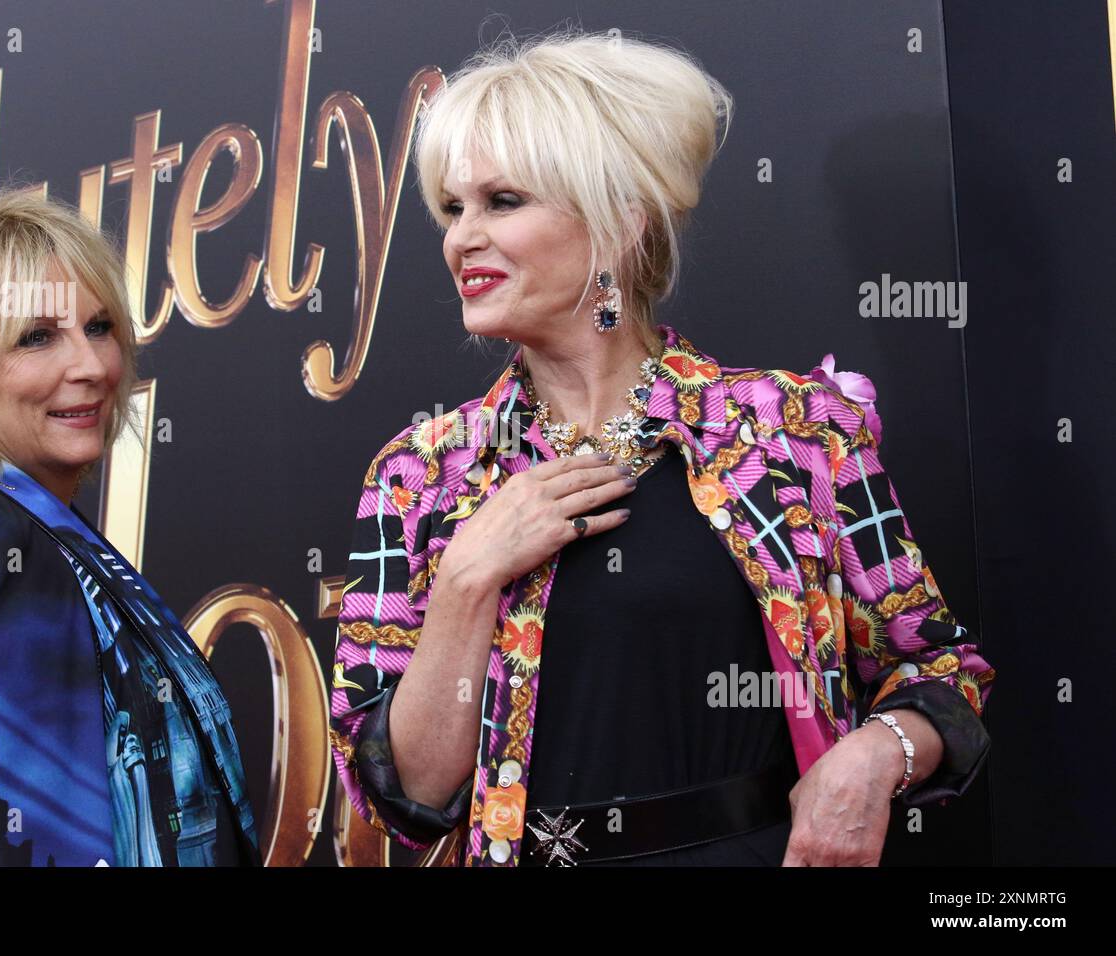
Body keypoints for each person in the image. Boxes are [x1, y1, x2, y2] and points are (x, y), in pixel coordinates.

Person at [329, 29, 994, 867]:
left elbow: (940, 670)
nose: (461, 237)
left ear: (617, 221)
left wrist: (873, 755)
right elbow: (411, 799)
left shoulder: (791, 433)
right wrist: (467, 579)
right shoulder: (421, 473)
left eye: (502, 201)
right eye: (451, 208)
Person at [0, 190, 260, 866]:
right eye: (36, 337)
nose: (94, 367)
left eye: (98, 327)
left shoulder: (18, 525)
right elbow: (37, 840)